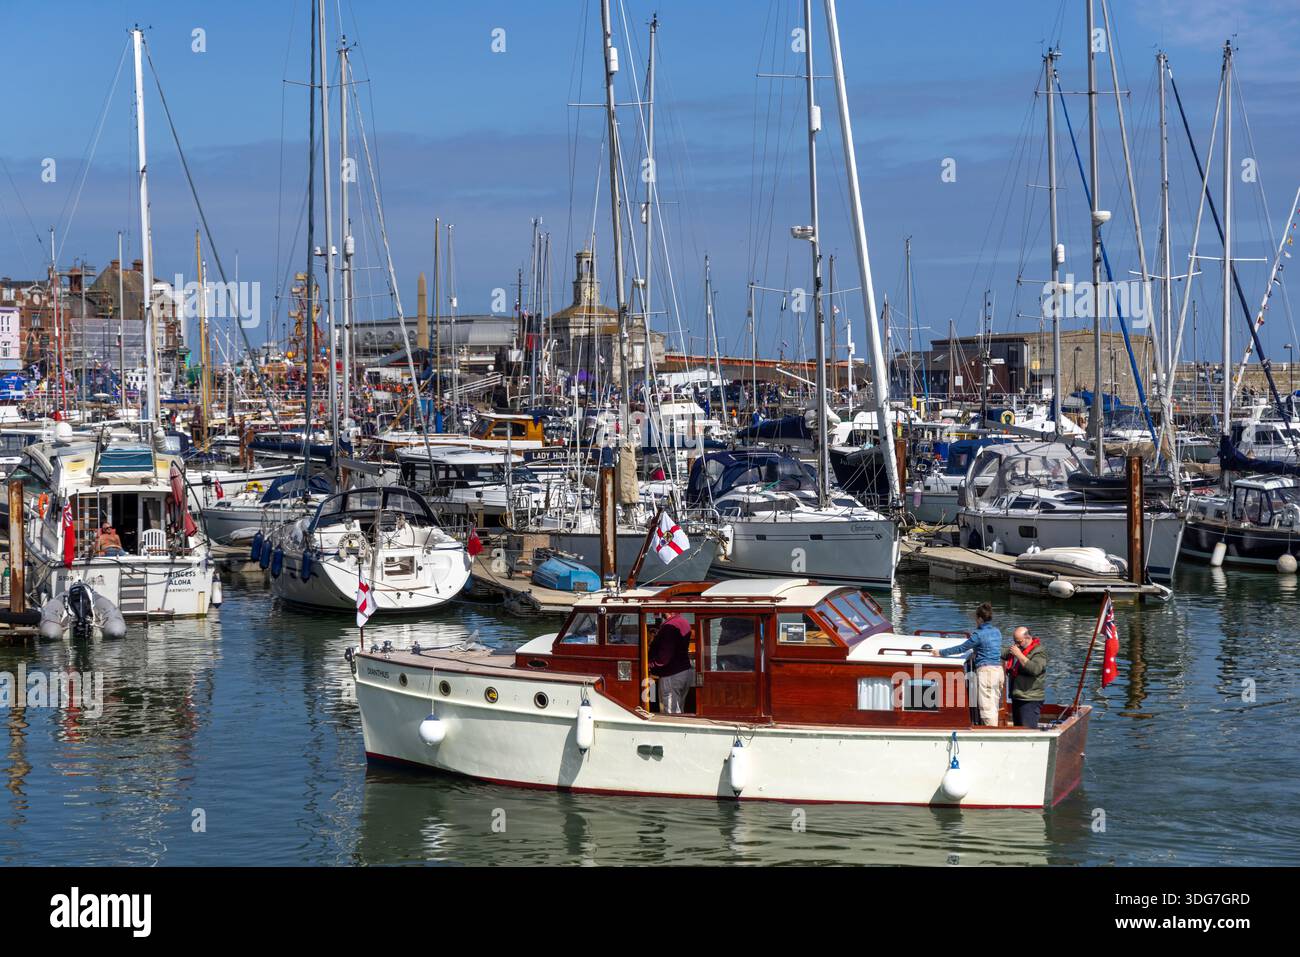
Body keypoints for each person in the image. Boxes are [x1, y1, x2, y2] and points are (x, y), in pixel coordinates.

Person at [937, 602, 1004, 726]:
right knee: (993, 704)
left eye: (975, 619)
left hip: (987, 673)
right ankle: (994, 728)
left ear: (979, 619)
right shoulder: (997, 632)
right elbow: (989, 647)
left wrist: (940, 653)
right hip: (998, 671)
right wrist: (976, 651)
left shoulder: (978, 635)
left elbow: (961, 648)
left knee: (987, 708)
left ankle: (992, 734)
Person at [648, 615, 693, 714]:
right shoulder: (684, 622)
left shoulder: (669, 627)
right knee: (679, 708)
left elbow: (664, 657)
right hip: (685, 671)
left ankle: (676, 728)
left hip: (672, 675)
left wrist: (651, 665)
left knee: (671, 712)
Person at [1006, 626, 1047, 729]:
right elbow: (1002, 652)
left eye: (1019, 642)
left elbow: (1035, 669)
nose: (1016, 644)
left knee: (1027, 732)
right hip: (1018, 697)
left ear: (1028, 638)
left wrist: (1019, 655)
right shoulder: (1019, 648)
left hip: (1030, 699)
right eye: (1015, 641)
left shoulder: (1039, 652)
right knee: (1018, 731)